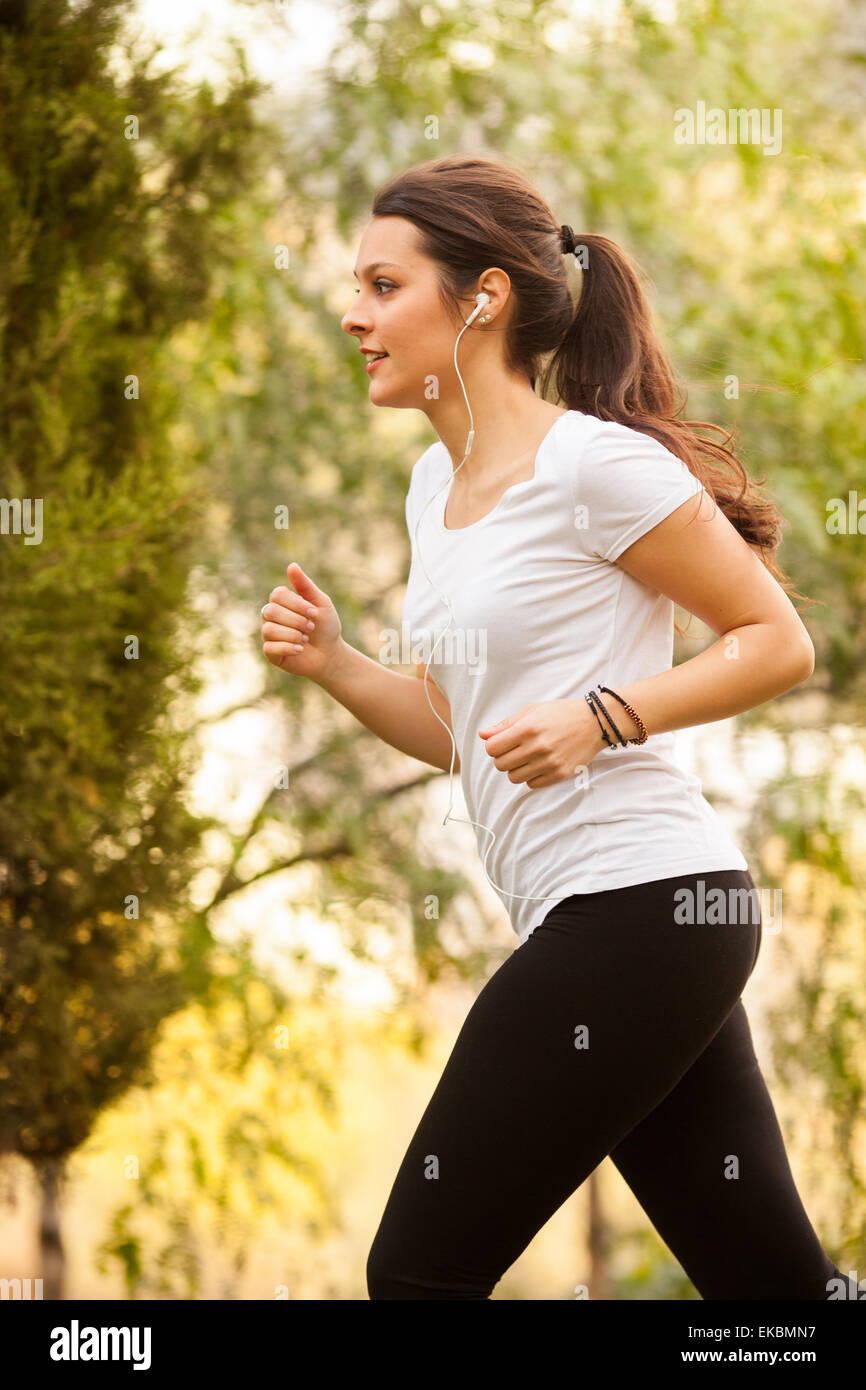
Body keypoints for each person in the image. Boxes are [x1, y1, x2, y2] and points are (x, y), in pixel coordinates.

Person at [260, 154, 860, 1301]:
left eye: (383, 287)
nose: (353, 315)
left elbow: (774, 640)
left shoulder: (590, 464)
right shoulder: (430, 497)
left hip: (640, 904)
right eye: (356, 287)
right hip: (627, 922)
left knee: (417, 1274)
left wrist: (604, 715)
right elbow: (451, 726)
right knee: (775, 1293)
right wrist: (336, 663)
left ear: (480, 298)